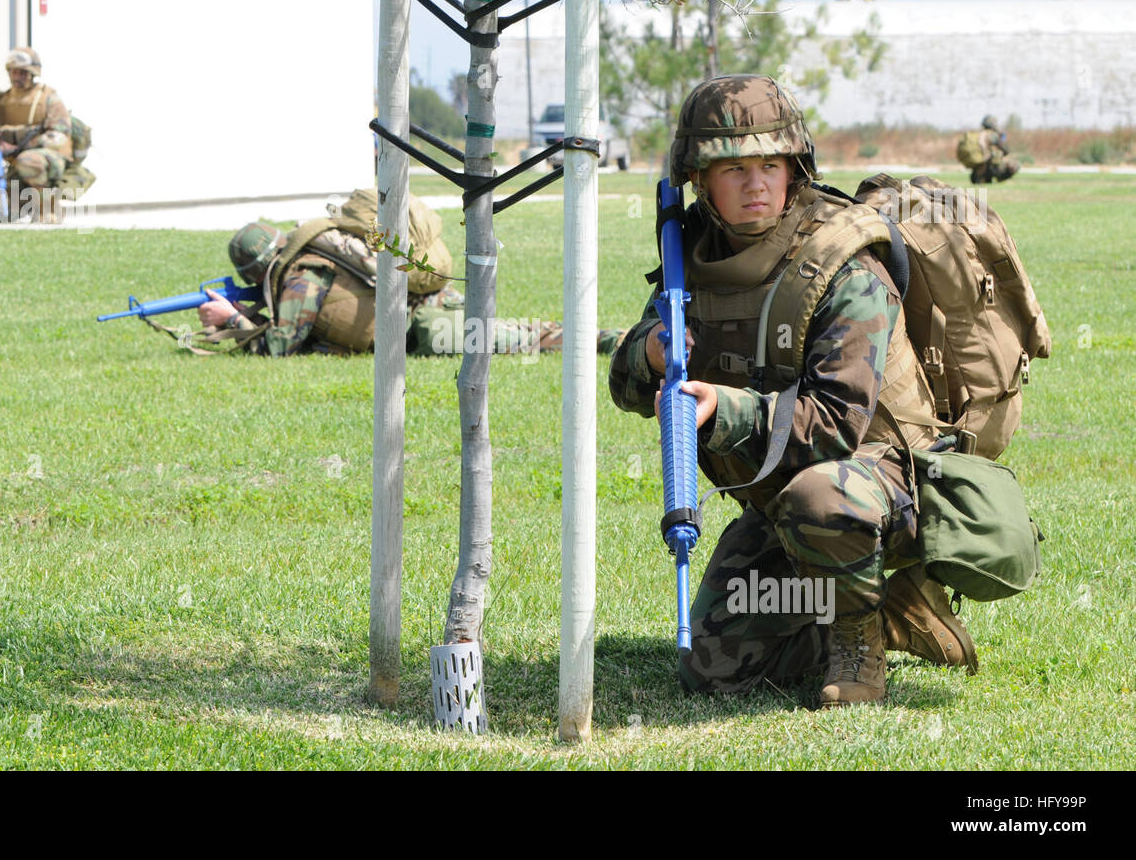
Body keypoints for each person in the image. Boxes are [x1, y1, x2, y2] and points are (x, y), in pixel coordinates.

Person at [609, 75, 977, 707]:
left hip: (880, 482)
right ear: (699, 178)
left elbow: (834, 423)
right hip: (779, 500)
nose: (755, 184)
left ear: (794, 167)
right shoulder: (691, 260)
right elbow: (626, 388)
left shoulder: (844, 264)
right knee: (712, 669)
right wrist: (649, 352)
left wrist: (724, 410)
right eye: (733, 168)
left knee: (822, 495)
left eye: (769, 164)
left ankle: (858, 639)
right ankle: (882, 612)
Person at [194, 189, 624, 358]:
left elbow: (279, 347)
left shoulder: (302, 274)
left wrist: (231, 322)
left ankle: (615, 341)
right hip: (426, 311)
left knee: (531, 338)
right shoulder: (313, 254)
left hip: (428, 324)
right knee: (526, 334)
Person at [0, 47, 84, 222]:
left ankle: (47, 208)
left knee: (29, 161)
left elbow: (60, 136)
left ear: (32, 73)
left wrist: (24, 146)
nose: (17, 77)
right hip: (17, 162)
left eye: (22, 73)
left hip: (48, 159)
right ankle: (21, 203)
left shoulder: (47, 98)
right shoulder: (5, 100)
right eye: (14, 72)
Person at [961, 115, 1019, 184]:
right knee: (1015, 165)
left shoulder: (977, 134)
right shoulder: (991, 135)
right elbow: (1005, 150)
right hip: (990, 168)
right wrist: (1001, 137)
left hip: (976, 173)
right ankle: (1000, 178)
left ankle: (982, 178)